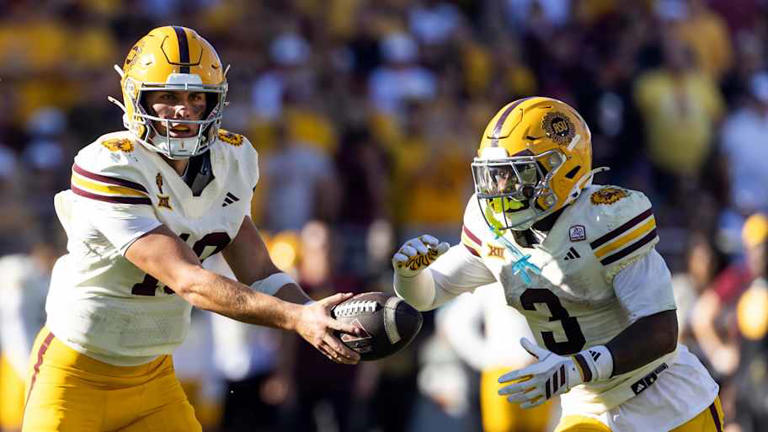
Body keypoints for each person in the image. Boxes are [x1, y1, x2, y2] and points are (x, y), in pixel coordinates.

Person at [21, 26, 361, 432]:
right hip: (75, 376)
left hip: (154, 378)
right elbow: (188, 280)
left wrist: (313, 312)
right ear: (136, 98)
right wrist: (294, 318)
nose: (183, 110)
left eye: (196, 97)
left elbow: (259, 270)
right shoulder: (110, 164)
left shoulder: (233, 159)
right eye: (167, 96)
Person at [392, 97, 723, 431]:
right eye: (494, 175)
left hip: (666, 399)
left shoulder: (604, 218)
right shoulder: (489, 227)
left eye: (516, 173)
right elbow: (428, 294)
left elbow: (660, 330)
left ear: (564, 169)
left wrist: (579, 367)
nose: (500, 189)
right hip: (589, 407)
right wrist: (409, 276)